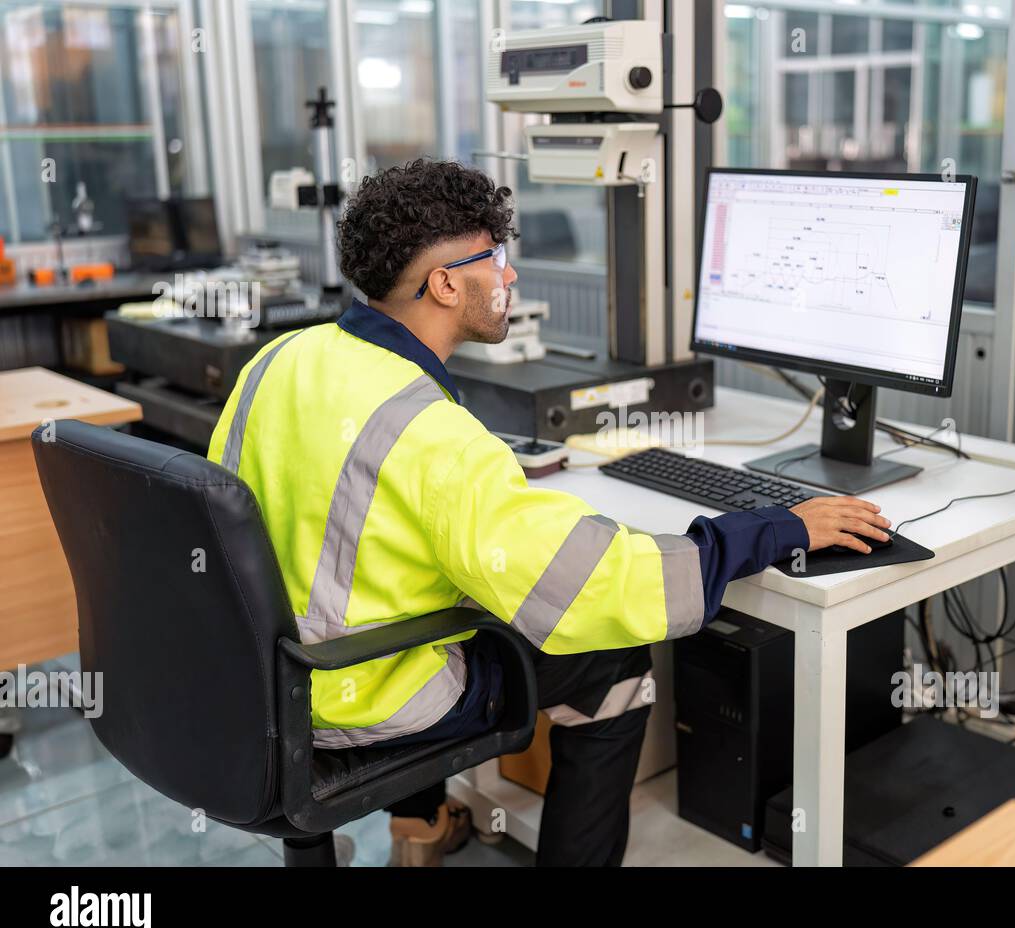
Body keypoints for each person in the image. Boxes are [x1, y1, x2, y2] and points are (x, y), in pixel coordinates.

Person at [207, 159, 891, 866]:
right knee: (615, 661)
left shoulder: (280, 359)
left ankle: (419, 828)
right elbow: (595, 585)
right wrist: (773, 526)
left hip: (265, 683)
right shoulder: (430, 432)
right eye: (494, 259)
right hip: (367, 700)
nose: (508, 278)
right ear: (444, 283)